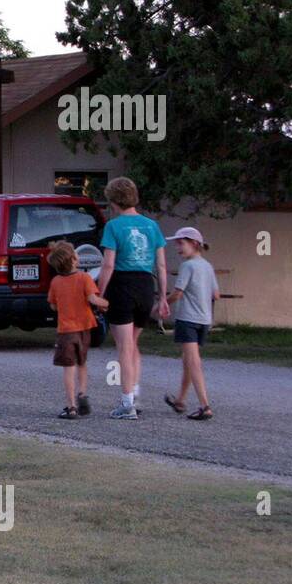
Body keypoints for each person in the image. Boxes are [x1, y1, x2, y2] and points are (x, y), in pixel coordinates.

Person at [95, 177, 168, 420]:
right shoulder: (151, 225)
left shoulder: (113, 227)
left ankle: (127, 403)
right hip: (146, 286)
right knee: (133, 344)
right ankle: (134, 392)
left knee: (124, 348)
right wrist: (163, 297)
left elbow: (108, 265)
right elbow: (161, 265)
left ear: (114, 200)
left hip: (123, 286)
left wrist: (99, 293)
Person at [47, 241, 109, 419]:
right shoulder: (85, 278)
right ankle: (82, 393)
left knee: (69, 367)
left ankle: (71, 406)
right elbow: (93, 299)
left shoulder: (56, 282)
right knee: (82, 363)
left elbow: (52, 306)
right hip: (85, 328)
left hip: (66, 331)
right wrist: (106, 303)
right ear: (74, 259)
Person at [163, 227, 220, 420]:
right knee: (188, 360)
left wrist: (161, 304)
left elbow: (178, 292)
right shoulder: (207, 266)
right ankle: (180, 400)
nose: (178, 247)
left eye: (181, 243)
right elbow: (216, 294)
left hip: (187, 319)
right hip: (204, 320)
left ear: (194, 244)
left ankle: (205, 405)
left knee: (193, 362)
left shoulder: (188, 266)